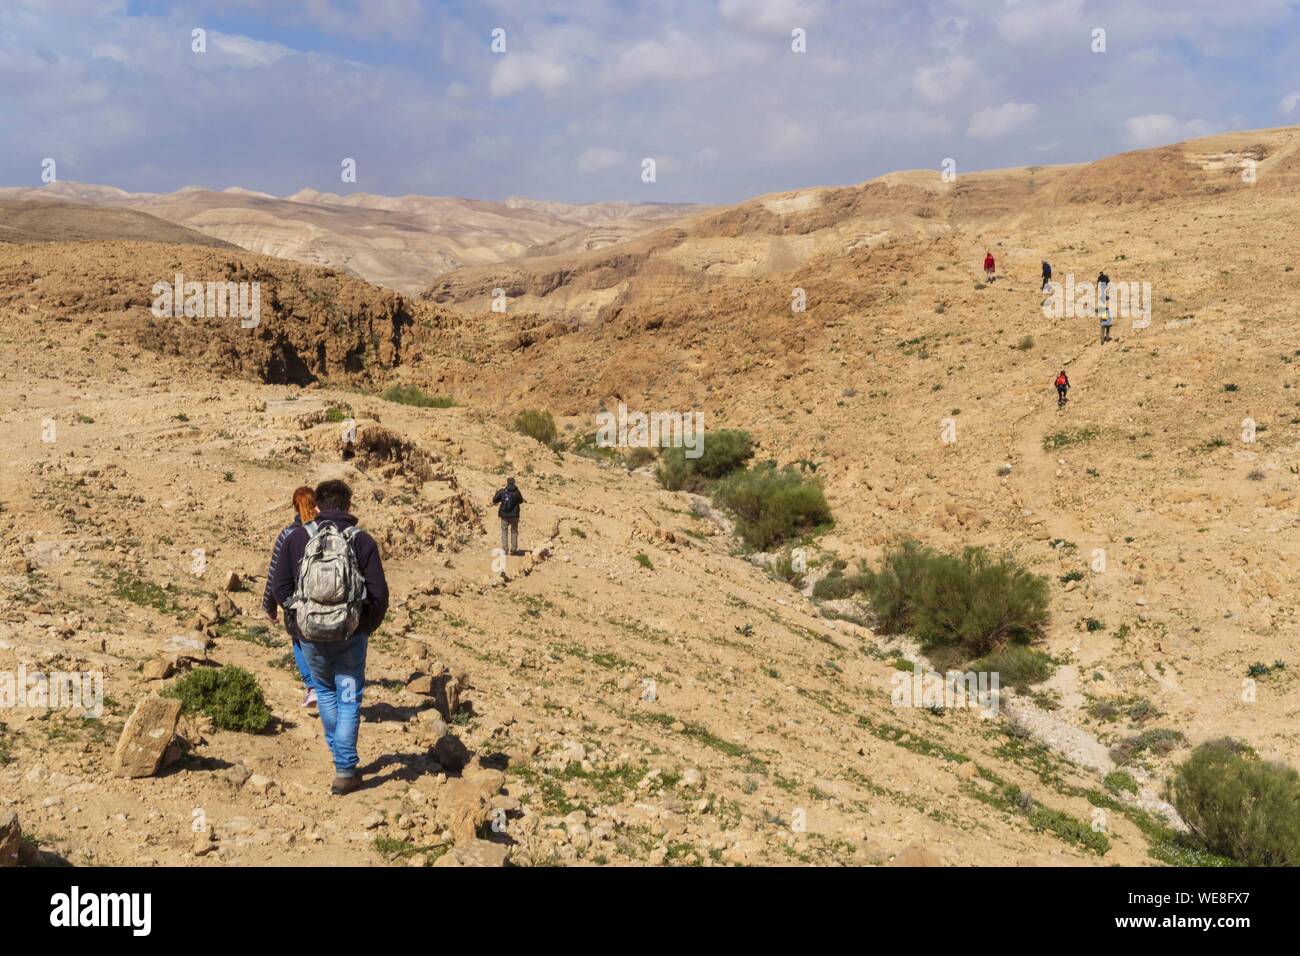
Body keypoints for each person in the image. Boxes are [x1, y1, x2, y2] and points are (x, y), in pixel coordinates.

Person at [272, 479, 388, 795]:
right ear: (348, 507)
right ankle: (345, 769)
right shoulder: (361, 540)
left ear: (318, 507)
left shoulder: (296, 537)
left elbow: (279, 587)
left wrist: (299, 620)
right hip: (351, 635)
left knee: (324, 692)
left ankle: (341, 760)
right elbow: (379, 593)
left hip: (310, 637)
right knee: (349, 698)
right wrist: (365, 626)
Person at [262, 486, 319, 711]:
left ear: (295, 507)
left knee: (298, 639)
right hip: (331, 600)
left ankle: (313, 686)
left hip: (299, 603)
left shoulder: (288, 534)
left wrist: (271, 605)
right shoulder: (330, 529)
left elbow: (275, 572)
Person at [492, 476, 525, 556]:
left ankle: (505, 549)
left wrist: (497, 493)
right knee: (514, 531)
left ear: (507, 483)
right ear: (514, 483)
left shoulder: (502, 491)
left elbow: (494, 500)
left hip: (504, 515)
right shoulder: (517, 492)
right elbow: (521, 501)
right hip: (514, 515)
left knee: (504, 531)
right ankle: (513, 549)